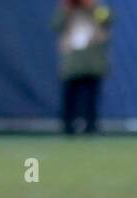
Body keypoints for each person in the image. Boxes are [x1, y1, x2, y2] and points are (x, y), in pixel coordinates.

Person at [53, 0, 113, 135]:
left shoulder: (98, 9)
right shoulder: (67, 10)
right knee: (70, 96)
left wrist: (92, 7)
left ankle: (90, 125)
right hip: (72, 62)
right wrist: (67, 8)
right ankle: (68, 125)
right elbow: (56, 24)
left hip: (92, 62)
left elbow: (107, 18)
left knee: (90, 98)